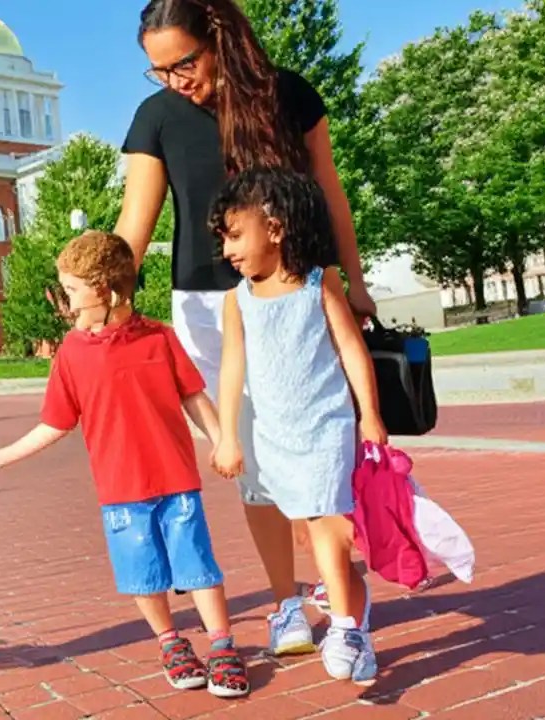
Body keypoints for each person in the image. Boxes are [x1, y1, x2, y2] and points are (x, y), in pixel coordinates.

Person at [111, 0, 377, 656]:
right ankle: (287, 602)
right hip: (205, 306)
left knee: (317, 451)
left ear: (218, 38)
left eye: (184, 63)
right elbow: (132, 226)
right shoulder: (157, 118)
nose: (175, 80)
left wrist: (354, 279)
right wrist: (104, 294)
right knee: (253, 458)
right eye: (159, 71)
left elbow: (329, 191)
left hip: (299, 294)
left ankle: (339, 595)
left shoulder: (289, 94)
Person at [0, 231, 250, 699]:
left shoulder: (161, 338)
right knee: (144, 573)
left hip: (177, 481)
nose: (68, 302)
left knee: (198, 565)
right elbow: (54, 423)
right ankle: (171, 642)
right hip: (120, 490)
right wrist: (0, 458)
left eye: (74, 290)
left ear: (108, 288)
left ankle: (221, 645)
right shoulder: (71, 355)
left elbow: (194, 397)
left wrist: (222, 440)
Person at [209, 167, 387, 683]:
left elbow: (352, 348)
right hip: (274, 435)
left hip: (327, 425)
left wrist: (369, 414)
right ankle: (358, 625)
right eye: (223, 240)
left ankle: (346, 624)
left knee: (328, 520)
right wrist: (226, 435)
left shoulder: (317, 282)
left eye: (236, 236)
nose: (228, 251)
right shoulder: (236, 300)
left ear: (277, 227)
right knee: (311, 529)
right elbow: (232, 369)